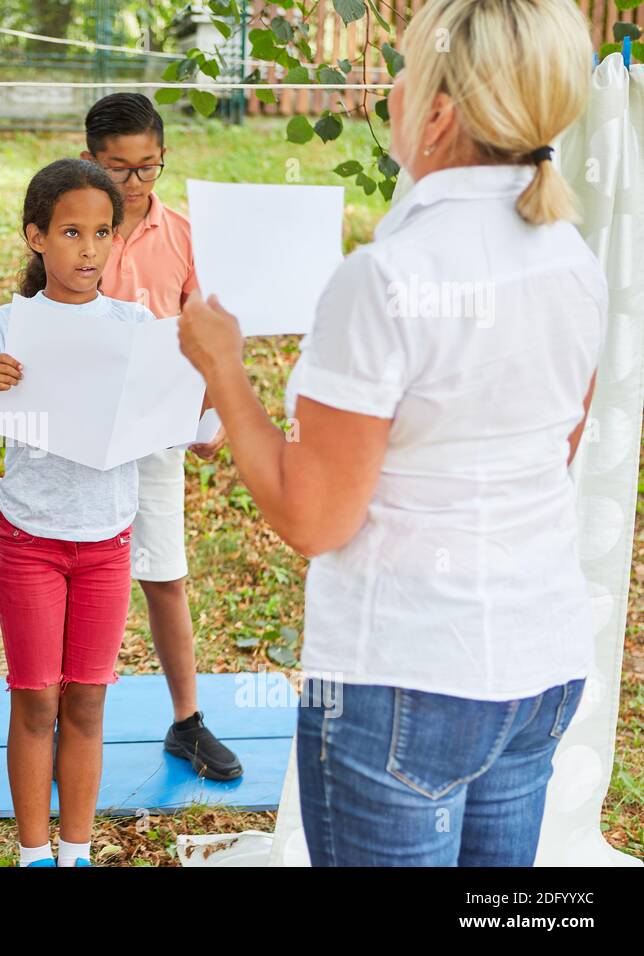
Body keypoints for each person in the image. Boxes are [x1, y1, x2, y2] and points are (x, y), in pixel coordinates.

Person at [177, 0, 603, 866]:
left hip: (406, 675)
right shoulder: (572, 257)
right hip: (540, 659)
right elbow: (555, 448)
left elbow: (314, 519)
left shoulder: (386, 276)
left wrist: (222, 367)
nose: (395, 90)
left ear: (439, 112)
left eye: (405, 72)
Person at [0, 159, 152, 867]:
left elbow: (168, 416)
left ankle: (76, 850)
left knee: (88, 704)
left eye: (102, 233)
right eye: (72, 232)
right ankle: (34, 852)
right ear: (37, 237)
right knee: (36, 702)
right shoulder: (12, 323)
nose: (89, 249)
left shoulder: (134, 325)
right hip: (31, 540)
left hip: (107, 541)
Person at [81, 91, 240, 781]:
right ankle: (66, 719)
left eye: (149, 168)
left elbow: (205, 330)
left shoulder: (184, 235)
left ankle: (188, 720)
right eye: (119, 169)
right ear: (90, 162)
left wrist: (212, 411)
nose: (136, 184)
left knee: (164, 574)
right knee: (83, 576)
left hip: (155, 432)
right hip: (83, 433)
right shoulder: (71, 227)